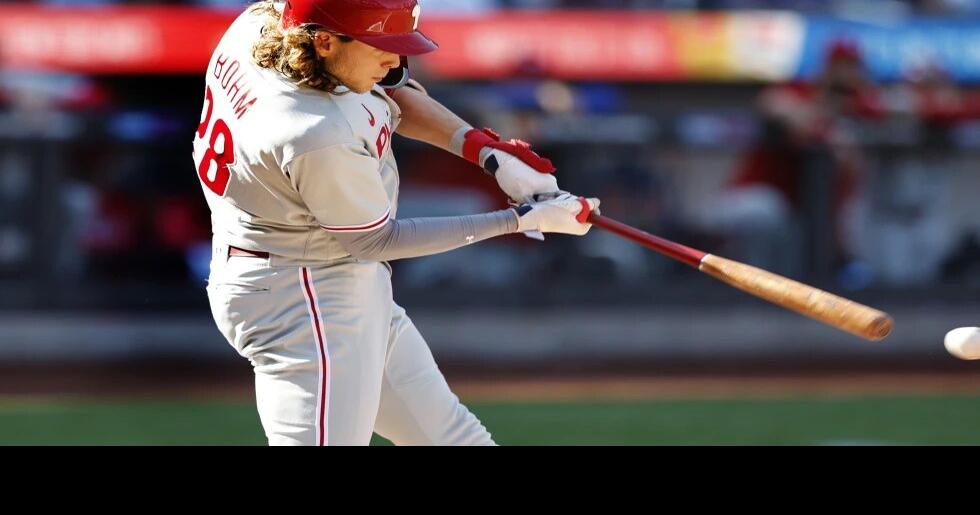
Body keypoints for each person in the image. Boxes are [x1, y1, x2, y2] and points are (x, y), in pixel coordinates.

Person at [193, 0, 599, 446]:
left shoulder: (266, 24)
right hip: (306, 297)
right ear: (325, 41)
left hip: (314, 272)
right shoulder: (315, 131)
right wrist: (518, 221)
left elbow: (390, 92)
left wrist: (488, 153)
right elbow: (375, 240)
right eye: (380, 46)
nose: (395, 61)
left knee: (455, 440)